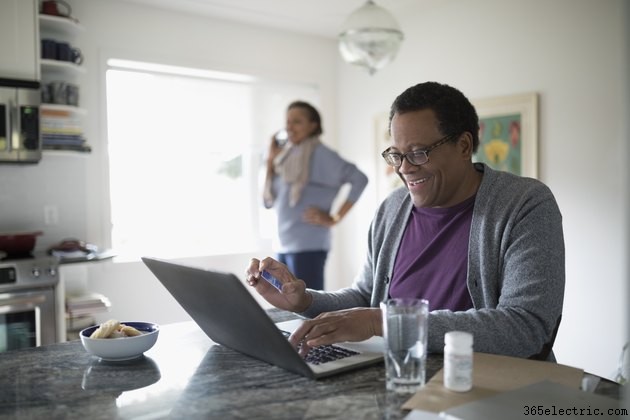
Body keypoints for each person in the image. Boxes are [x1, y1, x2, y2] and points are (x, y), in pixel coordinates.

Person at [248, 82, 565, 361]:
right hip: (397, 376)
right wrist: (305, 300)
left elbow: (526, 327)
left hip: (482, 391)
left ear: (464, 146)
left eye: (418, 153)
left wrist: (383, 321)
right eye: (396, 154)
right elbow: (365, 295)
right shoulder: (393, 207)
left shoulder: (525, 204)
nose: (404, 168)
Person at [262, 100, 368, 290]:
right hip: (283, 244)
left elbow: (360, 179)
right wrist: (270, 161)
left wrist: (335, 218)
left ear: (313, 125)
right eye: (288, 121)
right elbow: (268, 201)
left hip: (308, 246)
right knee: (286, 305)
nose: (289, 127)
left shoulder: (322, 154)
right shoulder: (285, 157)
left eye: (297, 121)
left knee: (307, 306)